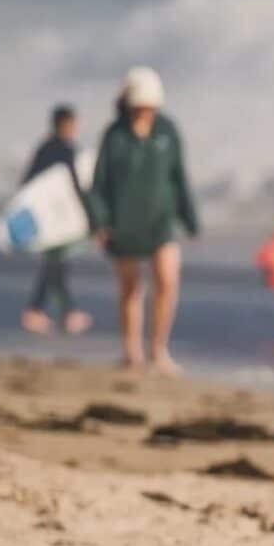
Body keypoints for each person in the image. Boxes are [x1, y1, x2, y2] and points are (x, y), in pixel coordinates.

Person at [87, 66, 198, 374]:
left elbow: (178, 177)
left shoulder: (167, 131)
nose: (144, 113)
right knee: (130, 288)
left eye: (149, 108)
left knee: (167, 280)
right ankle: (131, 353)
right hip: (124, 222)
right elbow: (99, 184)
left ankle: (159, 350)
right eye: (139, 107)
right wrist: (99, 222)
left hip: (161, 220)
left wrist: (190, 218)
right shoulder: (114, 135)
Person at [19, 104, 93, 336]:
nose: (75, 128)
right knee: (56, 264)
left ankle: (46, 311)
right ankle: (52, 311)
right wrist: (88, 213)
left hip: (46, 218)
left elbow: (27, 183)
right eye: (72, 123)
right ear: (65, 124)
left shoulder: (44, 148)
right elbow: (74, 185)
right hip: (60, 219)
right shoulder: (65, 150)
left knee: (56, 264)